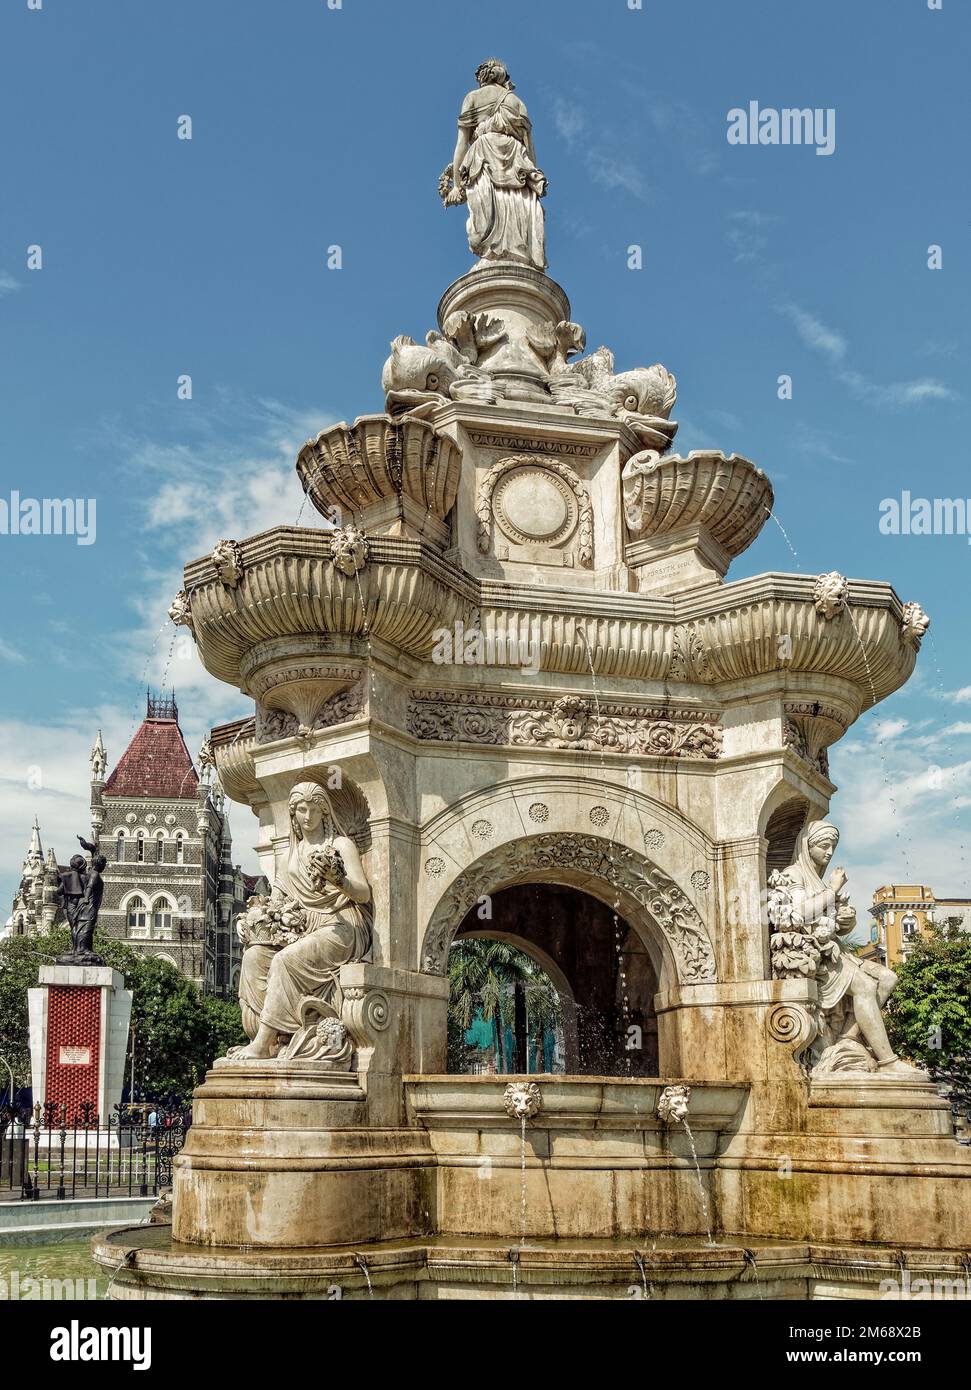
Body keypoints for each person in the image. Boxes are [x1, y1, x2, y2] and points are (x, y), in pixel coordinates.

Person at [235, 781, 371, 1060]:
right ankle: (277, 1039)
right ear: (293, 814)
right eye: (300, 810)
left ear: (324, 811)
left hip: (340, 924)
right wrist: (251, 918)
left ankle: (262, 1044)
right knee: (254, 957)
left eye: (312, 809)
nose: (307, 816)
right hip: (302, 927)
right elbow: (276, 901)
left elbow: (364, 893)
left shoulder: (340, 845)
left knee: (284, 961)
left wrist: (339, 880)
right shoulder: (290, 856)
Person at [780, 821, 916, 1074]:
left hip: (836, 951)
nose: (830, 852)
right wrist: (832, 890)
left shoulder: (817, 880)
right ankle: (888, 1061)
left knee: (888, 977)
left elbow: (831, 923)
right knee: (865, 985)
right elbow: (799, 914)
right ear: (806, 846)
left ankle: (848, 1038)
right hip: (815, 956)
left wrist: (845, 919)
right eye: (824, 846)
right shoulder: (795, 874)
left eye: (833, 846)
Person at [445, 59, 547, 271]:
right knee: (514, 215)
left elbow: (461, 144)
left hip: (483, 157)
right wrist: (533, 180)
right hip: (517, 162)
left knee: (487, 219)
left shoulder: (472, 98)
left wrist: (457, 185)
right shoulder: (517, 103)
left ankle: (494, 252)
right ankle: (516, 251)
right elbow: (530, 152)